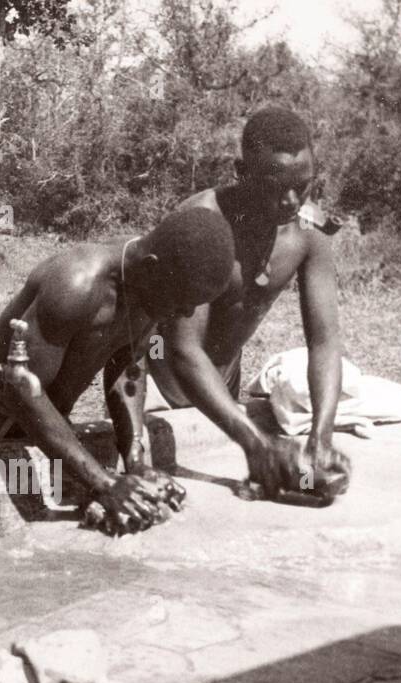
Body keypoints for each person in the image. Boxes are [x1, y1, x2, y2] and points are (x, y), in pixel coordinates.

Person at [0, 208, 235, 532]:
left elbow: (128, 371)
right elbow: (20, 391)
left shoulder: (150, 289)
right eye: (183, 300)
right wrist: (104, 483)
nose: (186, 313)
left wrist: (135, 462)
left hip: (41, 415)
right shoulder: (77, 284)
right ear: (152, 268)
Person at [150, 107, 350, 497]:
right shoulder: (202, 222)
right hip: (160, 392)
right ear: (242, 172)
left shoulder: (309, 231)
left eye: (303, 186)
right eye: (275, 188)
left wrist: (320, 438)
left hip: (224, 390)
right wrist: (255, 444)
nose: (290, 201)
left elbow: (325, 342)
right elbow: (182, 350)